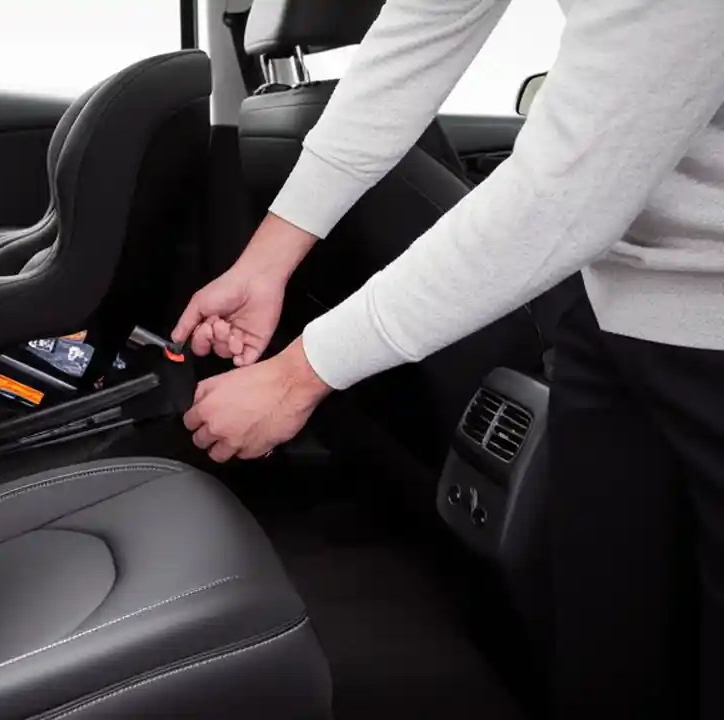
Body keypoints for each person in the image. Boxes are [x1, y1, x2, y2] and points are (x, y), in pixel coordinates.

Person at [172, 0, 724, 717]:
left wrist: (297, 373)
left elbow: (561, 196)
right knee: (608, 650)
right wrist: (266, 263)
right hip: (611, 307)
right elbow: (420, 32)